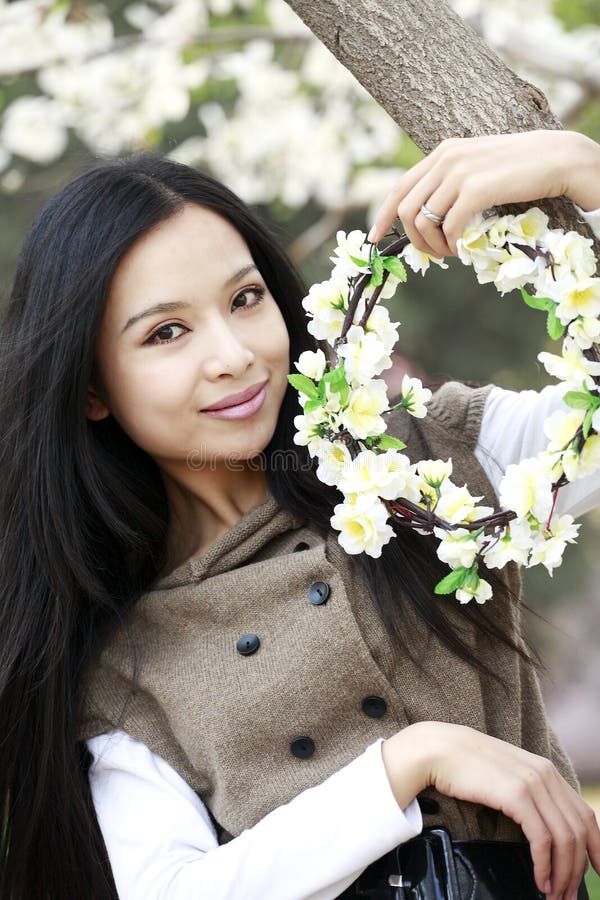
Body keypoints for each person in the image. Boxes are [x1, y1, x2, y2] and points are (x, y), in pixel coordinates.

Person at [0, 128, 599, 900]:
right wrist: (405, 764)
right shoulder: (125, 665)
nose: (235, 354)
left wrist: (585, 171)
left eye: (245, 299)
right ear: (91, 390)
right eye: (166, 332)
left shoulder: (425, 456)